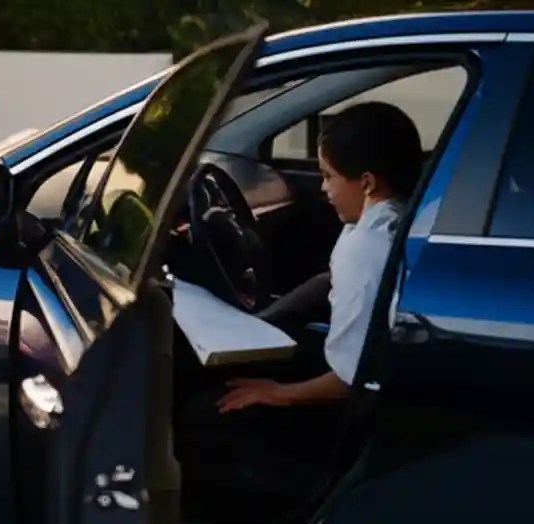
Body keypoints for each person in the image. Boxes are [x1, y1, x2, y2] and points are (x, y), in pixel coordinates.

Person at [178, 101, 423, 479]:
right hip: (351, 368)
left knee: (204, 411)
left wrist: (275, 392)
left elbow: (351, 379)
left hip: (355, 400)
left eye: (327, 176)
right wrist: (266, 319)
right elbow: (330, 279)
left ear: (367, 182)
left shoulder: (369, 249)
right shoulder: (378, 218)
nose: (323, 188)